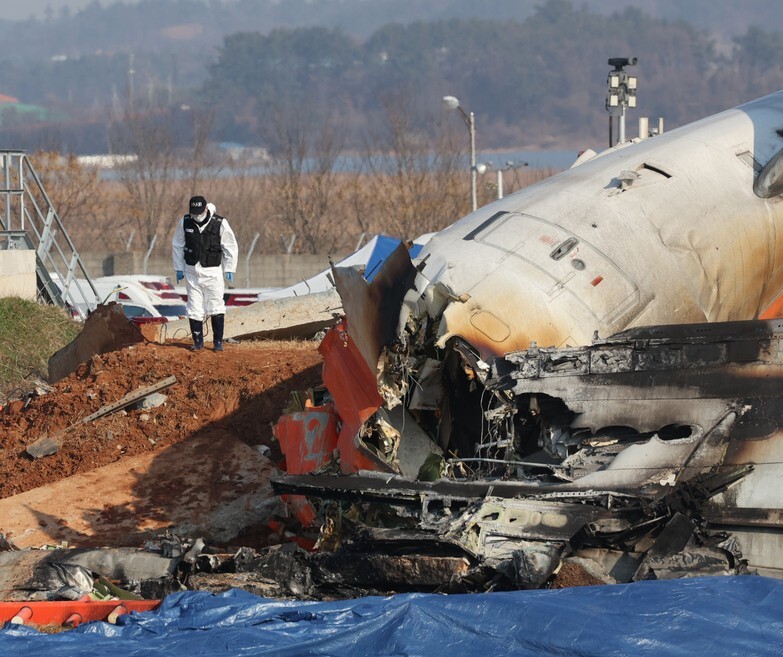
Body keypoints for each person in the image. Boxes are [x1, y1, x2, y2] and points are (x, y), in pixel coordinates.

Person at [172, 195, 238, 351]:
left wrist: (229, 268)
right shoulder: (185, 222)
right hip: (191, 271)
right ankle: (198, 343)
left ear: (206, 209)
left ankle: (217, 343)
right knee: (194, 306)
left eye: (199, 213)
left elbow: (230, 246)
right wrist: (179, 267)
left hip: (212, 272)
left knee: (216, 306)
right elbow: (177, 244)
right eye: (194, 213)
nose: (196, 216)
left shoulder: (219, 223)